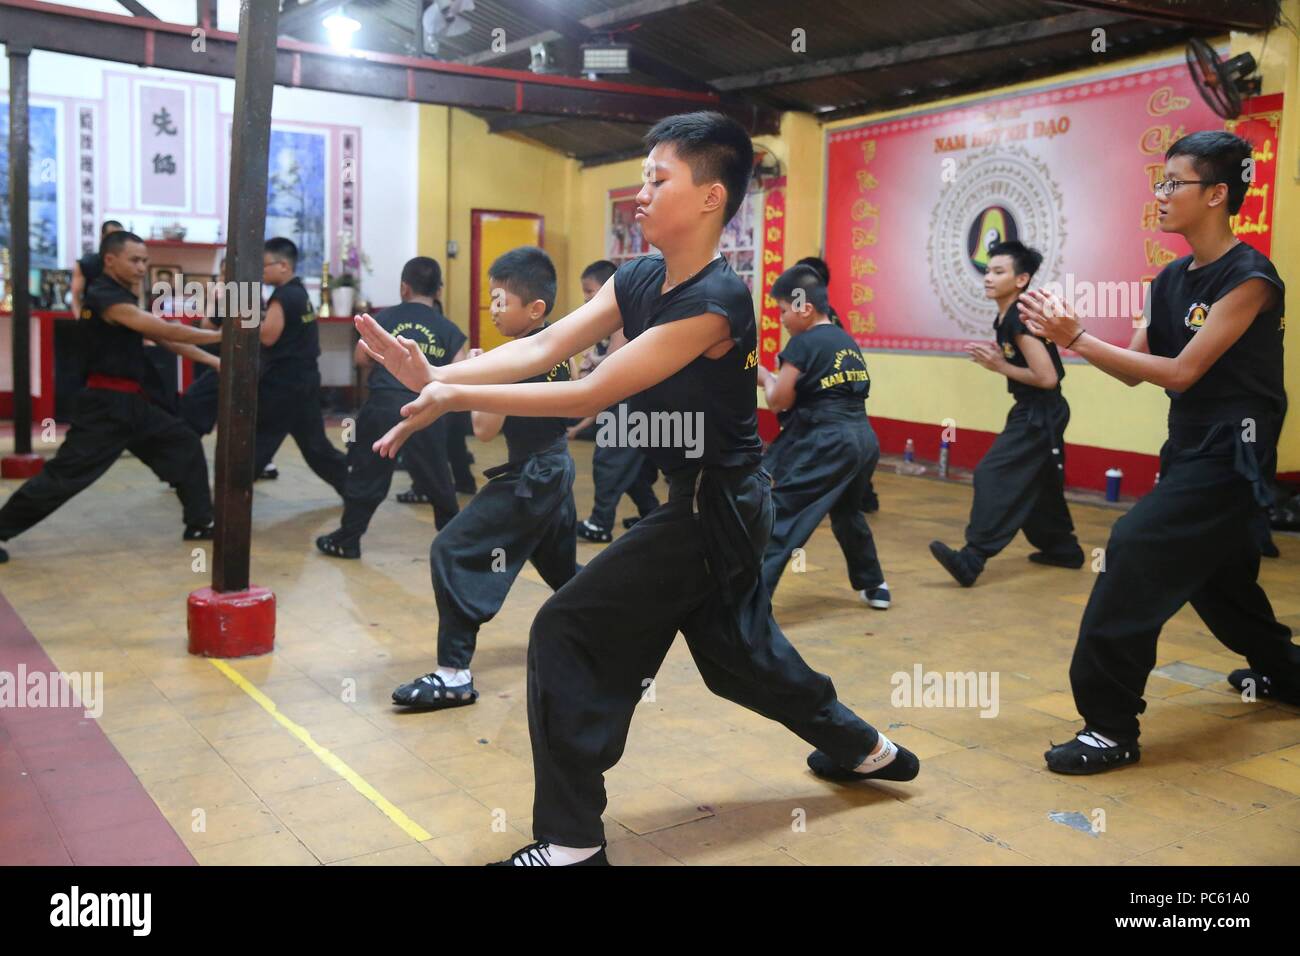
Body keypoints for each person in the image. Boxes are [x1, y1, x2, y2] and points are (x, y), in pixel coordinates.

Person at [358, 112, 917, 867]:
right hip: (717, 503)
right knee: (737, 658)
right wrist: (438, 376)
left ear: (712, 197)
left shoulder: (718, 301)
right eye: (642, 177)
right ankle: (867, 749)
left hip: (712, 508)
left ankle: (570, 844)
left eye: (659, 179)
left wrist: (450, 396)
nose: (642, 194)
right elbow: (546, 344)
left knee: (565, 629)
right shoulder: (641, 275)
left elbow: (591, 388)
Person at [1017, 130, 1300, 774]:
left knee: (1136, 549)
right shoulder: (1169, 278)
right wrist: (1072, 335)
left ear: (1219, 194)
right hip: (1191, 451)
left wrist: (1079, 336)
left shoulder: (1251, 278)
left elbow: (1182, 373)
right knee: (1221, 585)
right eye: (1161, 182)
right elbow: (1138, 367)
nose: (1162, 195)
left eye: (1175, 183)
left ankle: (1108, 728)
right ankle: (1288, 673)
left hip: (1233, 457)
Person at [388, 246, 578, 709]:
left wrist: (478, 383)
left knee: (452, 548)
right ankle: (623, 627)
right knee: (566, 577)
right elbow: (505, 424)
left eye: (503, 302)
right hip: (554, 471)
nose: (493, 310)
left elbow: (481, 428)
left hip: (536, 476)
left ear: (535, 308)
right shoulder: (545, 347)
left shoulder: (523, 356)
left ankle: (453, 674)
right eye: (491, 299)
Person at [0, 231, 220, 561]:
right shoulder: (105, 296)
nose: (142, 267)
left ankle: (201, 522)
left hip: (135, 404)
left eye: (145, 260)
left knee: (183, 442)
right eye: (134, 260)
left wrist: (215, 360)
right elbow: (164, 328)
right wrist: (219, 335)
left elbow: (164, 339)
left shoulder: (122, 295)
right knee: (65, 476)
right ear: (110, 260)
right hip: (105, 407)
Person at [929, 240, 1084, 587]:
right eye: (988, 270)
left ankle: (972, 558)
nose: (988, 277)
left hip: (1040, 411)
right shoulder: (1008, 315)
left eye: (999, 271)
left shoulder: (1019, 318)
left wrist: (999, 365)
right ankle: (1063, 550)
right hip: (1036, 410)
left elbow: (1047, 378)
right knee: (1040, 483)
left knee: (993, 474)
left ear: (1021, 279)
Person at [757, 264, 890, 609]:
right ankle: (875, 585)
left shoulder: (803, 344)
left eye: (784, 310)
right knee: (847, 512)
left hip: (827, 440)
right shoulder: (844, 339)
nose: (782, 319)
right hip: (862, 439)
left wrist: (765, 377)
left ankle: (750, 600)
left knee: (782, 512)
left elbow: (779, 400)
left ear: (804, 307)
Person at [315, 257, 465, 558]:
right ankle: (458, 548)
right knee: (439, 479)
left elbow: (361, 359)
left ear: (403, 287)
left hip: (383, 407)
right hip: (426, 408)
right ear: (438, 291)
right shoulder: (449, 329)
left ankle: (347, 540)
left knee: (367, 473)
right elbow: (459, 372)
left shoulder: (384, 318)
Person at [567, 259, 661, 542]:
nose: (585, 296)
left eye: (589, 290)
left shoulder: (623, 314)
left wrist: (592, 361)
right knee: (633, 468)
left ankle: (600, 523)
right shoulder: (623, 315)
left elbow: (614, 360)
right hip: (636, 401)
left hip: (630, 401)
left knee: (609, 460)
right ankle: (652, 515)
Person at [252, 238, 347, 494]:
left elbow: (267, 336)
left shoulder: (284, 296)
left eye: (264, 265)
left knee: (258, 443)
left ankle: (231, 498)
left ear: (283, 265)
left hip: (283, 385)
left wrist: (244, 318)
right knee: (315, 446)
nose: (261, 271)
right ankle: (355, 486)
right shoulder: (299, 292)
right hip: (303, 380)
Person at [69, 220, 123, 317]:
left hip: (121, 319)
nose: (117, 241)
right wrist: (81, 319)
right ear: (103, 237)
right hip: (91, 317)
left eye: (120, 237)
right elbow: (76, 297)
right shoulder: (86, 264)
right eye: (113, 236)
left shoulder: (126, 264)